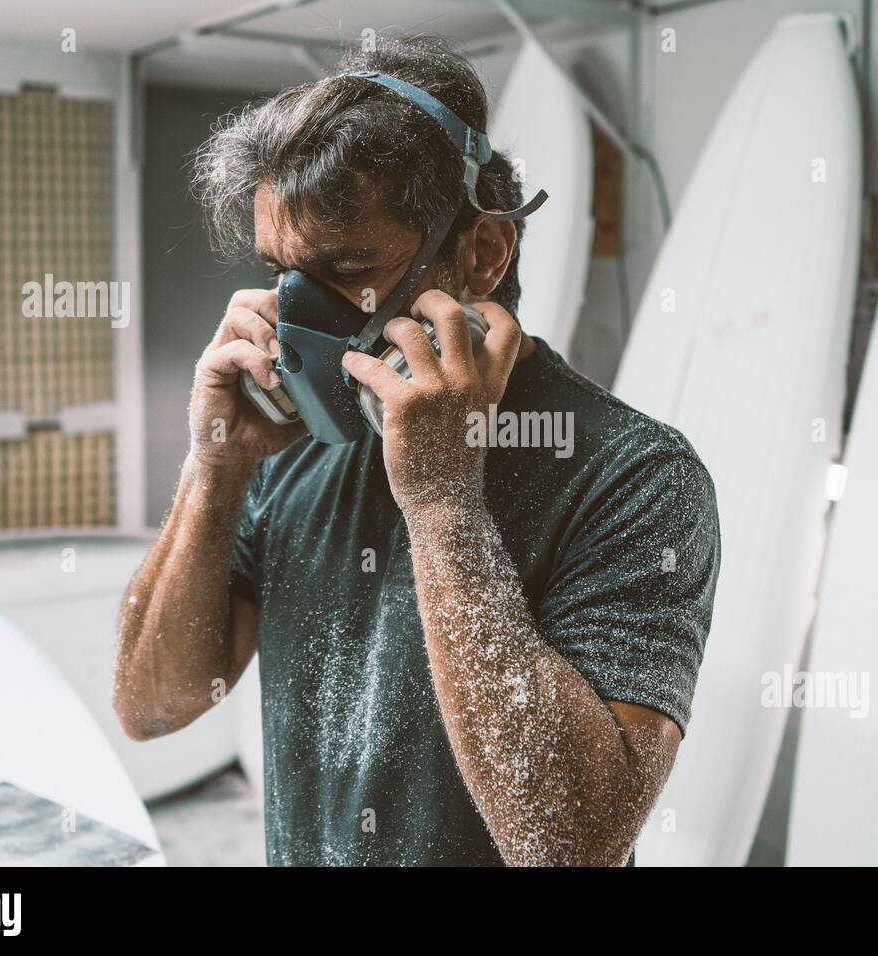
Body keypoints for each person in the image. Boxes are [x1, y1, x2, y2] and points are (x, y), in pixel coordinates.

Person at [113, 34, 720, 866]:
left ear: (481, 253)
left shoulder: (634, 475)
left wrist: (442, 500)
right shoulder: (292, 445)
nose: (296, 317)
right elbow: (153, 707)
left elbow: (571, 846)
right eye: (280, 272)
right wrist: (214, 466)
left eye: (346, 268)